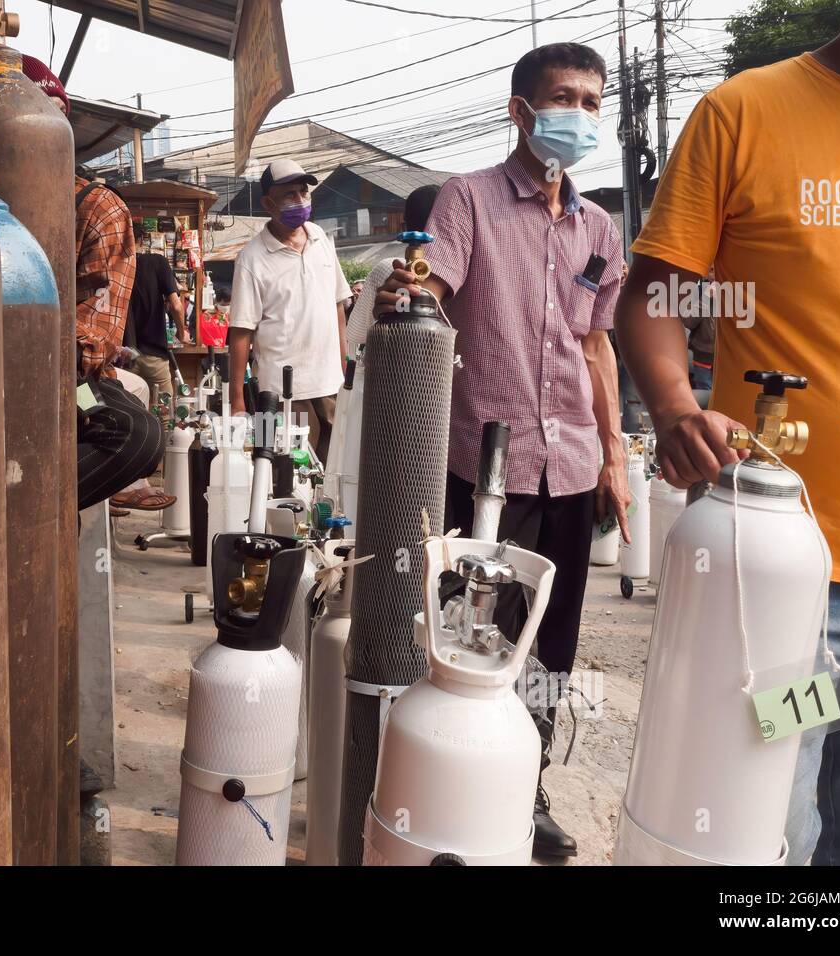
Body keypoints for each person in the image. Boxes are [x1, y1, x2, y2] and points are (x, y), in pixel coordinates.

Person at [614, 0, 840, 866]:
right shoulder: (748, 112)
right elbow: (656, 295)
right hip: (799, 599)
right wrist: (672, 406)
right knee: (766, 835)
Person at [374, 42, 630, 859]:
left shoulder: (599, 228)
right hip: (486, 467)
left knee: (549, 644)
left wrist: (617, 459)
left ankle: (528, 789)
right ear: (520, 110)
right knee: (471, 635)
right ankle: (449, 786)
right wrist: (404, 292)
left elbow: (598, 349)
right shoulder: (469, 201)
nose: (581, 115)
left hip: (575, 466)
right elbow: (430, 288)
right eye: (565, 98)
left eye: (594, 101)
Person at [228, 158, 349, 457]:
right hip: (276, 393)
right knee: (277, 477)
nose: (300, 200)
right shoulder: (252, 258)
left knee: (330, 472)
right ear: (269, 204)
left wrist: (343, 367)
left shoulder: (321, 238)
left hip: (329, 383)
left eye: (303, 193)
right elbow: (241, 332)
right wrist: (237, 402)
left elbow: (337, 306)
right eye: (289, 195)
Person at [74, 173, 165, 512]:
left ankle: (125, 485)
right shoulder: (99, 206)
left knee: (133, 399)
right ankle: (124, 484)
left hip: (75, 375)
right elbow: (88, 352)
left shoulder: (89, 204)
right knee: (136, 432)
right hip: (72, 380)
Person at [346, 184, 441, 357]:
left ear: (405, 227)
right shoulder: (472, 277)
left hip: (396, 375)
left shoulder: (388, 270)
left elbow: (355, 334)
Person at [127, 221, 189, 409]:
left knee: (132, 414)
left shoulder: (117, 268)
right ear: (141, 240)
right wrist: (181, 331)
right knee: (165, 414)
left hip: (125, 358)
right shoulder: (157, 262)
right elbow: (177, 306)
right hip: (154, 356)